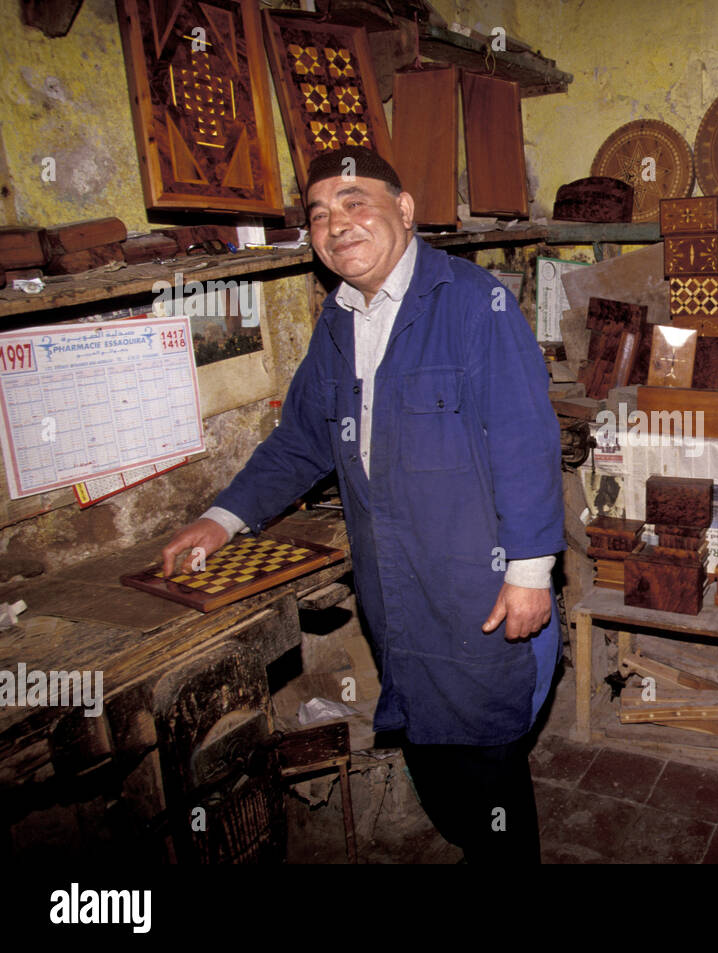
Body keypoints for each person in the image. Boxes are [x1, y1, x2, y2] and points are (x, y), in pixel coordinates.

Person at [160, 146, 565, 864]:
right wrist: (221, 517)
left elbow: (526, 437)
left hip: (481, 588)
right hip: (396, 591)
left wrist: (531, 570)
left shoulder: (475, 302)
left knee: (489, 770)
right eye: (319, 213)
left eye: (355, 202)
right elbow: (300, 444)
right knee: (435, 759)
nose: (337, 223)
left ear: (403, 209)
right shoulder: (340, 321)